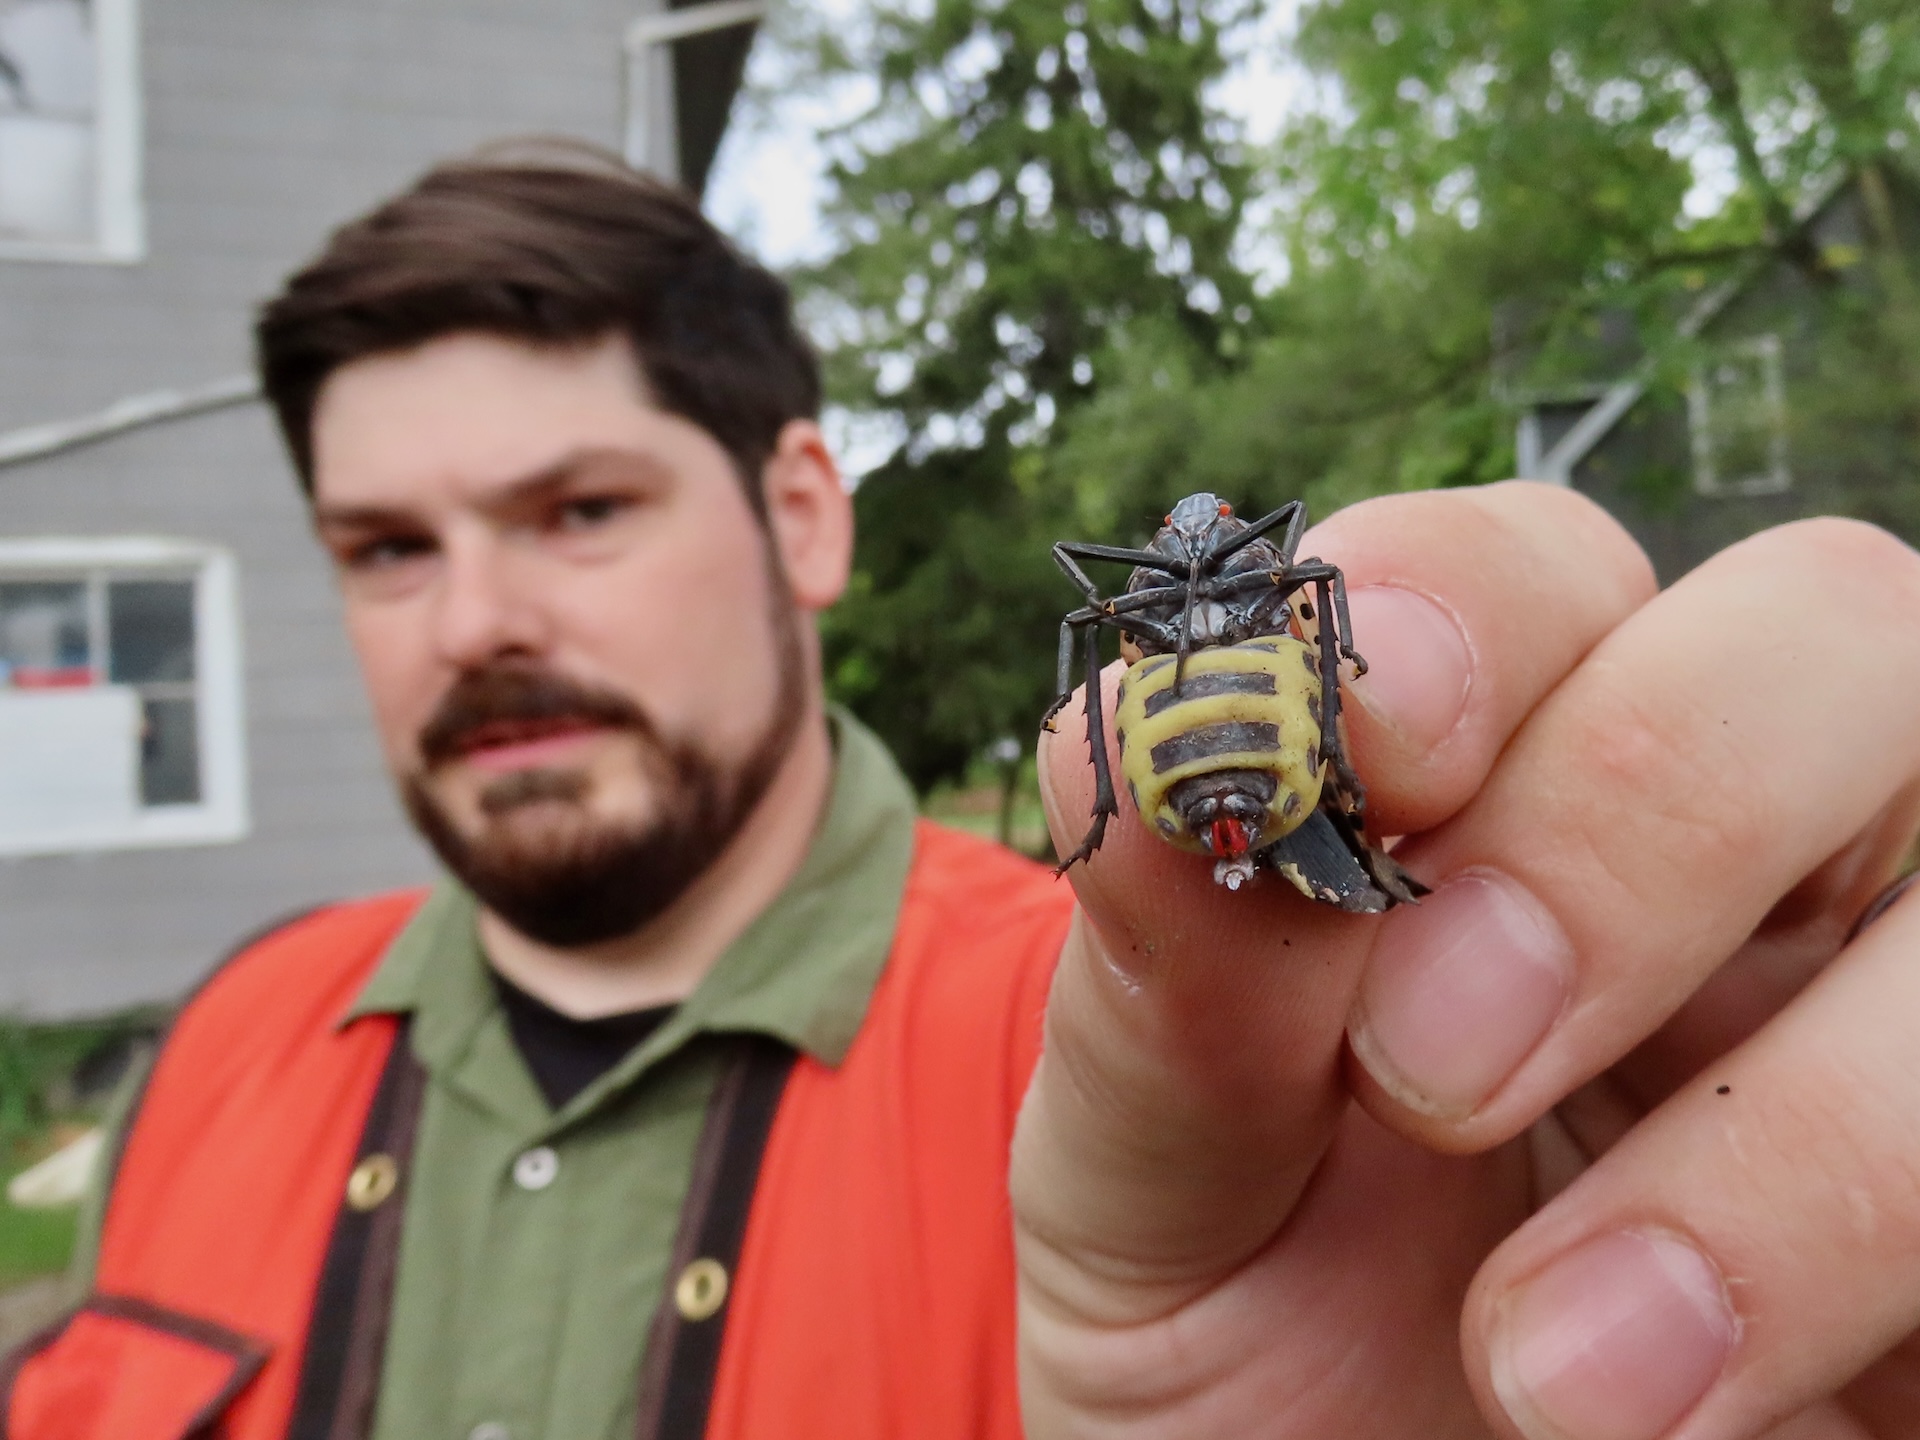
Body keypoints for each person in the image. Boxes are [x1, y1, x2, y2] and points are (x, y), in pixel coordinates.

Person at [8, 139, 1920, 1440]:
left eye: (579, 511)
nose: (479, 623)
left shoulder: (1196, 1084)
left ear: (805, 516)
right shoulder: (217, 1057)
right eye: (385, 549)